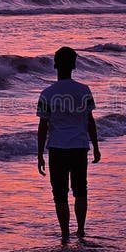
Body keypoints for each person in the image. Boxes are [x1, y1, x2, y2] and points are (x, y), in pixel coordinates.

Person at [37, 46, 101, 240]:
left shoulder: (47, 93)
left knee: (60, 194)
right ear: (74, 65)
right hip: (80, 146)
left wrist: (39, 154)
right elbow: (90, 121)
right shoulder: (84, 90)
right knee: (81, 190)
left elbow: (43, 126)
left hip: (57, 147)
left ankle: (65, 234)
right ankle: (80, 230)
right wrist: (96, 147)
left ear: (55, 65)